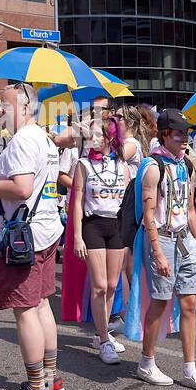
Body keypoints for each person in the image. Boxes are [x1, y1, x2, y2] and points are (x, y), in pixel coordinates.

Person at [0, 83, 64, 390]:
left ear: (24, 107)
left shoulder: (23, 139)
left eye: (5, 107)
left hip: (23, 239)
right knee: (41, 306)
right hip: (46, 230)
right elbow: (32, 180)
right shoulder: (43, 139)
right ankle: (51, 379)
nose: (0, 113)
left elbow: (22, 188)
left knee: (27, 312)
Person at [132, 108, 196, 390]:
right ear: (165, 134)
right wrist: (157, 252)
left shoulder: (185, 165)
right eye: (180, 133)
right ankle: (146, 362)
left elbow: (190, 207)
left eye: (187, 132)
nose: (185, 138)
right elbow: (148, 213)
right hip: (163, 238)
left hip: (185, 239)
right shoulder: (153, 167)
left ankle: (190, 369)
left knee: (190, 303)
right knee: (160, 301)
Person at [69, 113, 128, 364]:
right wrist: (77, 236)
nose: (92, 139)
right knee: (100, 285)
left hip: (116, 226)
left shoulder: (122, 164)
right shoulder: (83, 164)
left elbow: (127, 200)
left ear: (110, 138)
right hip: (93, 225)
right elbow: (78, 201)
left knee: (113, 285)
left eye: (98, 135)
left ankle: (99, 332)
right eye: (91, 134)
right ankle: (105, 340)